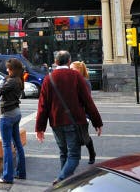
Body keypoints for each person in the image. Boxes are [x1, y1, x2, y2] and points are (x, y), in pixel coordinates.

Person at [36, 50, 103, 185]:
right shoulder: (75, 76)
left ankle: (64, 184)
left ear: (55, 62)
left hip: (56, 122)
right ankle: (61, 180)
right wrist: (97, 122)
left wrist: (40, 128)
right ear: (69, 61)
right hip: (74, 121)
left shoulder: (48, 78)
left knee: (63, 153)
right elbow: (87, 101)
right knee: (74, 155)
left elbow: (43, 106)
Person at [0, 58, 26, 184]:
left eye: (8, 68)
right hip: (16, 113)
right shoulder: (18, 80)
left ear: (12, 70)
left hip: (7, 115)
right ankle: (21, 173)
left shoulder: (12, 82)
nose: (6, 69)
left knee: (6, 146)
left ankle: (7, 176)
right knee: (17, 144)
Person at [70, 61, 96, 164]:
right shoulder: (74, 80)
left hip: (83, 114)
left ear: (78, 70)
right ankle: (75, 158)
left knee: (84, 137)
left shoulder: (84, 81)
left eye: (72, 69)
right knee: (76, 137)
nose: (70, 71)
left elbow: (87, 100)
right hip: (74, 113)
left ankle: (92, 153)